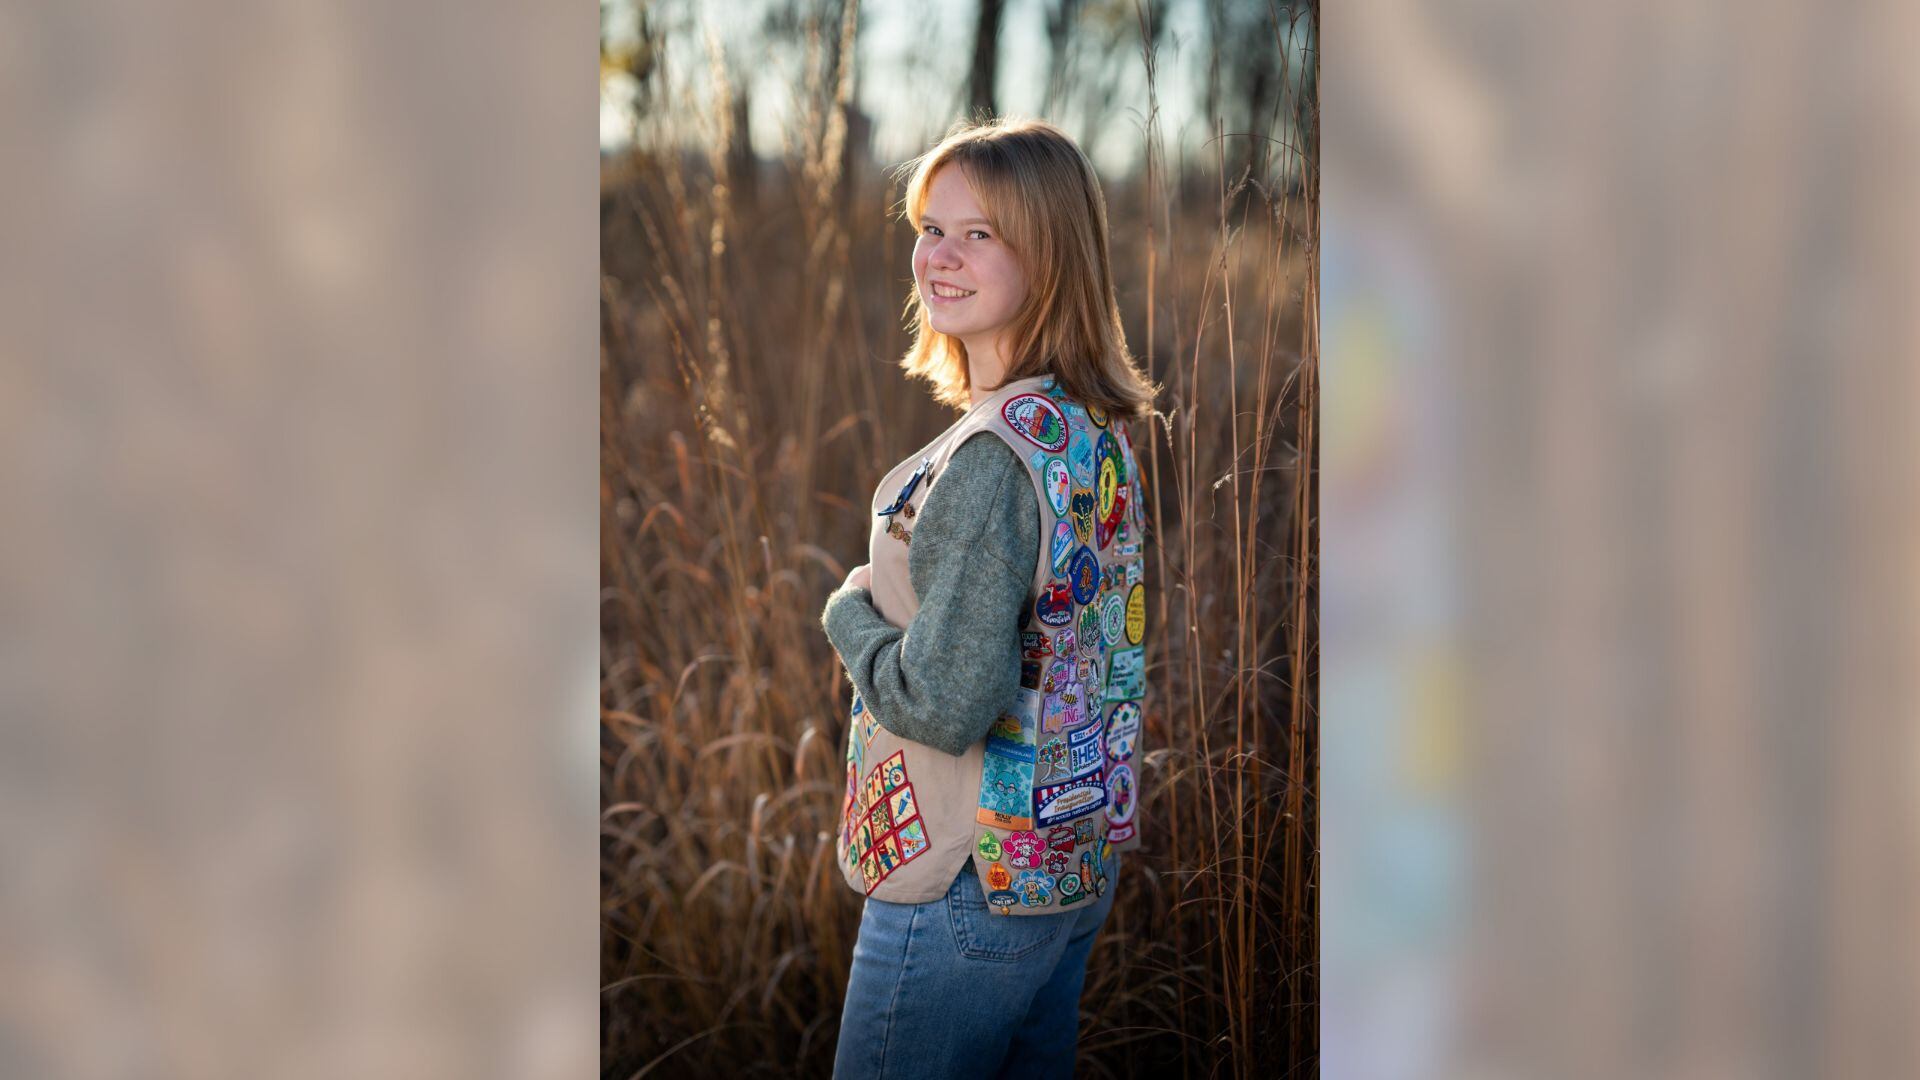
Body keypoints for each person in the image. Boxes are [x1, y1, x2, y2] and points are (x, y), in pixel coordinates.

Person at [820, 117, 1156, 1080]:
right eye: (930, 227)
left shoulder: (991, 460)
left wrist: (848, 613)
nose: (939, 256)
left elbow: (947, 703)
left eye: (980, 234)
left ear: (1048, 256)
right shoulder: (1086, 431)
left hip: (961, 883)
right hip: (1063, 864)